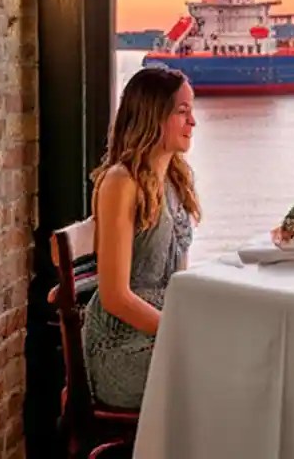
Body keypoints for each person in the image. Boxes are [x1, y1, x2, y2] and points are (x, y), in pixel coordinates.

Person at [82, 65, 201, 409]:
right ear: (153, 115)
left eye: (192, 110)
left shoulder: (176, 180)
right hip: (119, 347)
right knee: (229, 368)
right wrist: (182, 331)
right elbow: (115, 297)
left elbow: (176, 280)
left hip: (161, 333)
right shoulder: (121, 182)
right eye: (182, 111)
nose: (193, 122)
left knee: (246, 351)